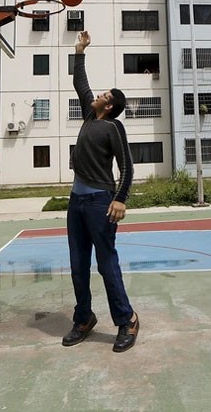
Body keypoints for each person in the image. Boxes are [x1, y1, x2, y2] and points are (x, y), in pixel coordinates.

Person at [62, 31, 139, 352]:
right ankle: (84, 318)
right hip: (76, 202)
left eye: (103, 94)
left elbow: (128, 167)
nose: (96, 94)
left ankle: (127, 320)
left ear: (109, 106)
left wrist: (120, 199)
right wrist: (80, 51)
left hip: (100, 202)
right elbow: (80, 83)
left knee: (106, 264)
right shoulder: (88, 115)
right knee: (78, 264)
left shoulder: (112, 127)